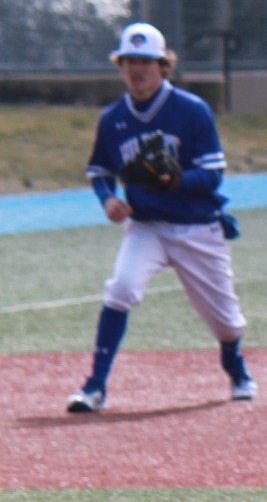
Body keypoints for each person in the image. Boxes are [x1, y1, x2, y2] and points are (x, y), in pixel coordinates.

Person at [68, 22, 254, 413]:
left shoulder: (191, 110)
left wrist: (177, 180)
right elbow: (99, 170)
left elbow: (213, 174)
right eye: (130, 62)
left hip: (197, 225)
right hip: (147, 226)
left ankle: (235, 367)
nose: (137, 70)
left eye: (146, 62)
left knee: (225, 322)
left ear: (163, 65)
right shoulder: (113, 118)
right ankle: (95, 386)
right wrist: (107, 199)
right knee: (120, 289)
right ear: (120, 66)